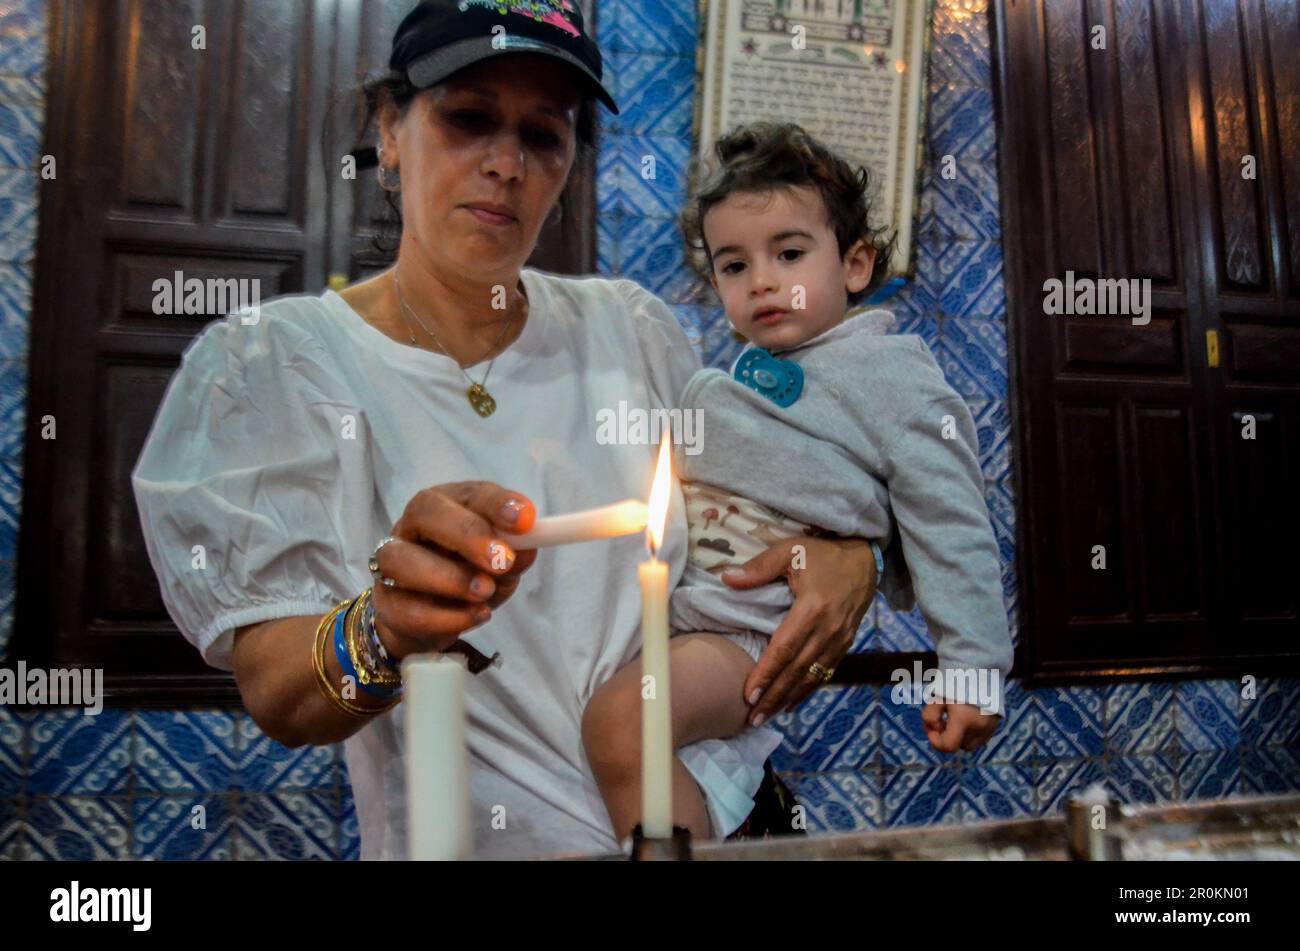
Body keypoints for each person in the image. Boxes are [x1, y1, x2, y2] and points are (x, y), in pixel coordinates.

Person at [131, 1, 882, 859]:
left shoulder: (630, 335)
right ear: (390, 129)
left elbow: (755, 520)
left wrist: (849, 558)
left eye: (544, 135)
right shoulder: (274, 368)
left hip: (702, 827)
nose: (505, 164)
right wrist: (385, 624)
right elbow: (278, 690)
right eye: (469, 118)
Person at [581, 122, 1013, 841]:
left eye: (788, 252)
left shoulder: (893, 376)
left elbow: (951, 519)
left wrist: (971, 666)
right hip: (680, 619)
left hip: (755, 636)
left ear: (855, 264)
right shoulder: (713, 388)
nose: (762, 281)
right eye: (733, 265)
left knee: (623, 721)